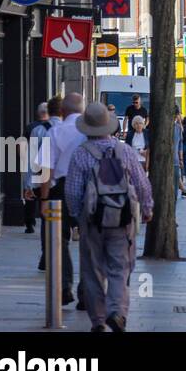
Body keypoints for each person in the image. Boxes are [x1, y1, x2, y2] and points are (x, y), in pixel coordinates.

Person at [65, 102, 153, 332]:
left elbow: (73, 191)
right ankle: (117, 312)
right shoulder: (124, 151)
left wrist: (77, 217)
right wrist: (146, 208)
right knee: (120, 268)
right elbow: (141, 182)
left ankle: (98, 320)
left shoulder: (81, 154)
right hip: (122, 219)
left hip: (93, 220)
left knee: (93, 271)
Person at [47, 92, 88, 307]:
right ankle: (86, 292)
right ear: (82, 109)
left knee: (59, 241)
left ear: (62, 111)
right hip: (86, 190)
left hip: (61, 190)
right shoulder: (89, 132)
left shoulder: (54, 132)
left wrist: (45, 198)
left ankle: (65, 287)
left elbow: (47, 169)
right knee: (88, 242)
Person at [23, 101, 54, 234]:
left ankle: (29, 223)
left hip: (36, 165)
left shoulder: (32, 128)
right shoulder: (55, 127)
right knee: (46, 195)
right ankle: (46, 220)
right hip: (51, 168)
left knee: (31, 194)